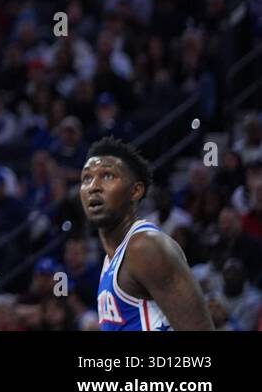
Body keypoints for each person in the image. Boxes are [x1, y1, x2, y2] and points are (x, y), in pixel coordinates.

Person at [80, 136, 212, 330]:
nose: (94, 187)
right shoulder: (111, 259)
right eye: (87, 178)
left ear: (135, 191)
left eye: (107, 175)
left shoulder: (145, 247)